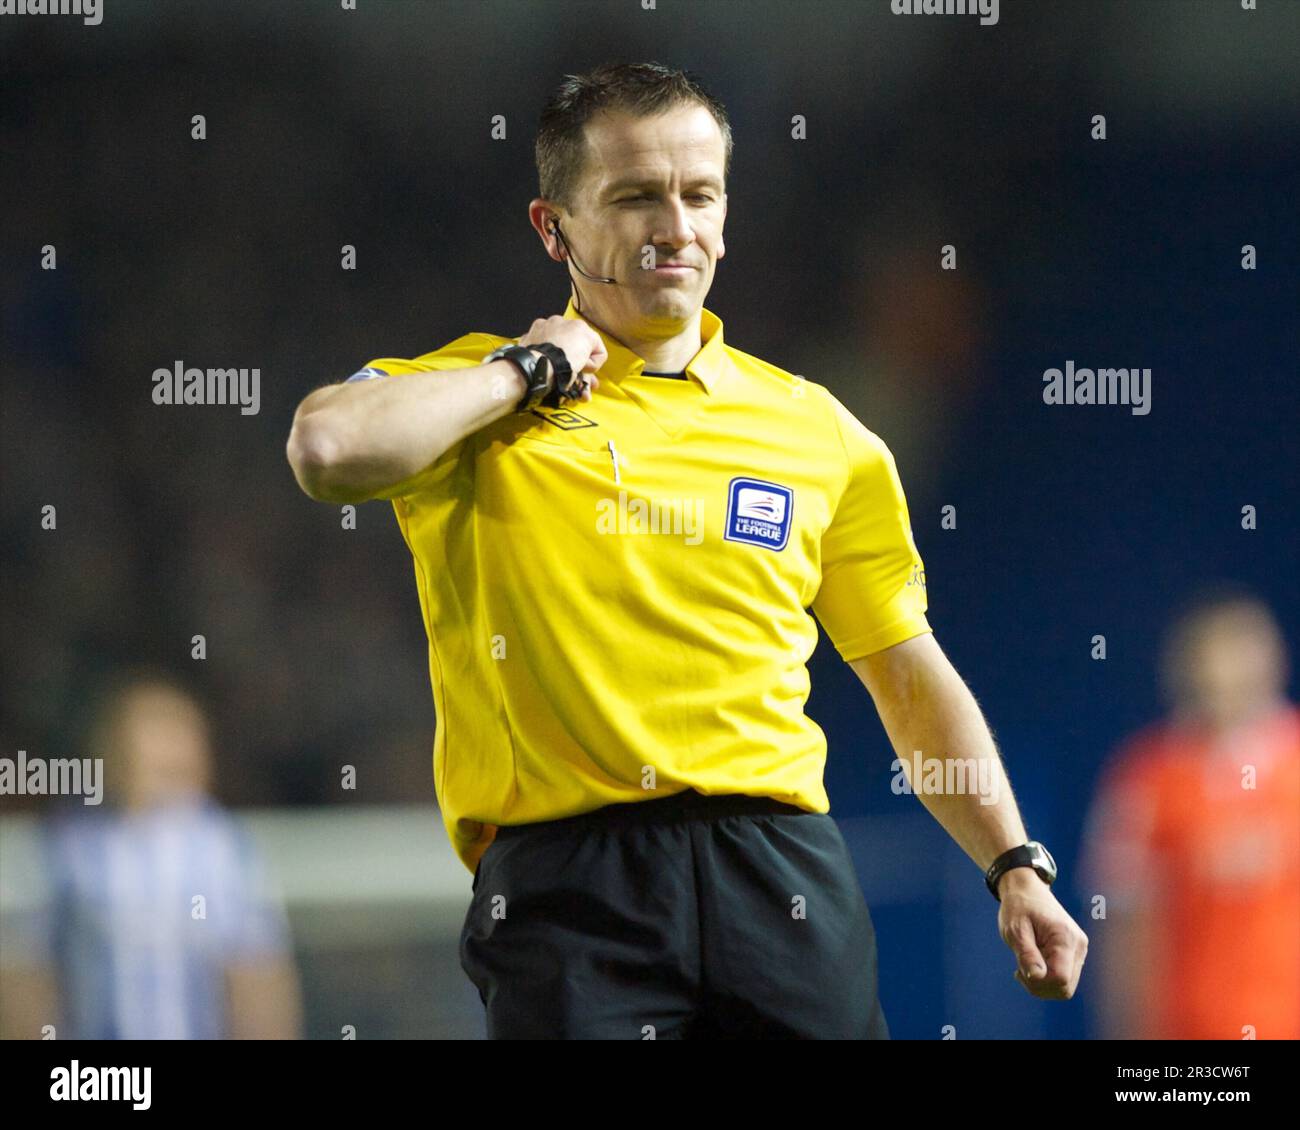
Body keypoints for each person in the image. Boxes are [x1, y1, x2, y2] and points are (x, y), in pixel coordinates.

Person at [285, 61, 1087, 1039]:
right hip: (569, 887)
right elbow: (326, 448)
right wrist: (520, 372)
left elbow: (905, 671)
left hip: (781, 869)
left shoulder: (818, 430)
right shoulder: (477, 397)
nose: (674, 225)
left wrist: (1012, 861)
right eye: (633, 197)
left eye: (697, 193)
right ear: (554, 227)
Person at [0, 669, 302, 1040]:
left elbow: (257, 976)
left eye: (177, 734)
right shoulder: (66, 844)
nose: (165, 752)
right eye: (148, 734)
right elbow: (27, 975)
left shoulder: (224, 848)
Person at [1081, 588, 1300, 1039]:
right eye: (1212, 657)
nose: (1225, 673)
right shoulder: (1144, 778)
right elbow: (1122, 928)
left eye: (1241, 654)